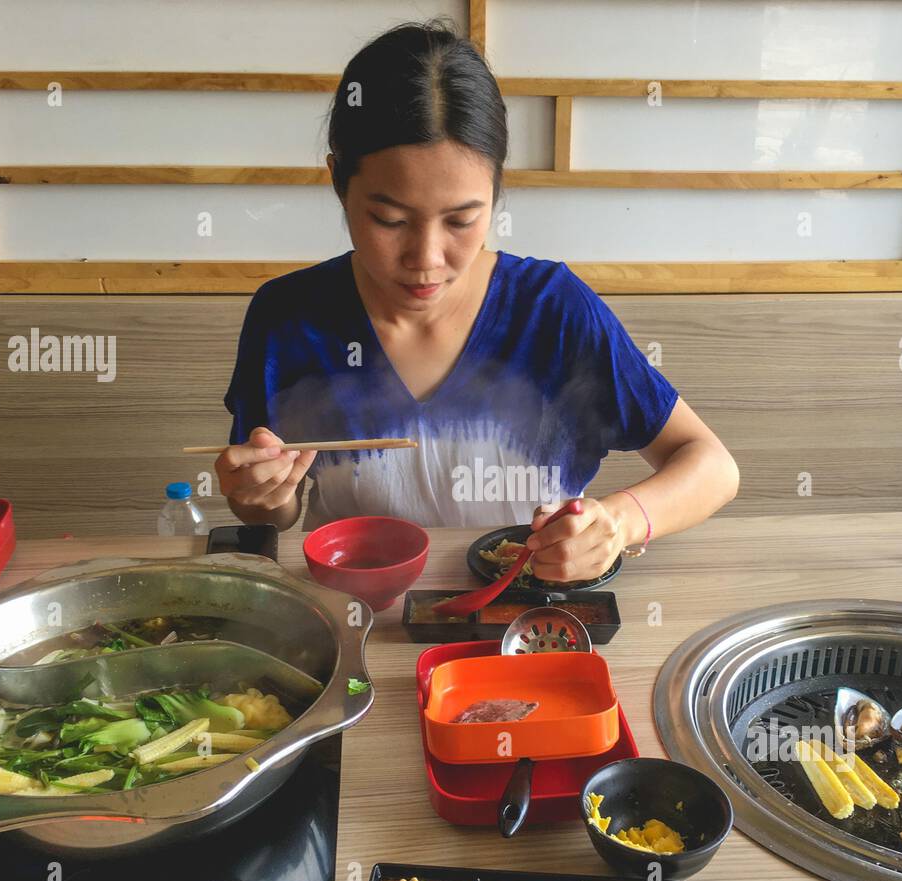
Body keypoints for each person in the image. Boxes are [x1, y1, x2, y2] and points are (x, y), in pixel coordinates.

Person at [218, 19, 737, 582]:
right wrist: (263, 496)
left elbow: (711, 465)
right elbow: (272, 511)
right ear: (339, 183)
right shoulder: (288, 317)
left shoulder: (553, 312)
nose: (426, 257)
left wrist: (618, 522)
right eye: (389, 219)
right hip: (359, 617)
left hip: (528, 623)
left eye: (462, 220)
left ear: (496, 193)